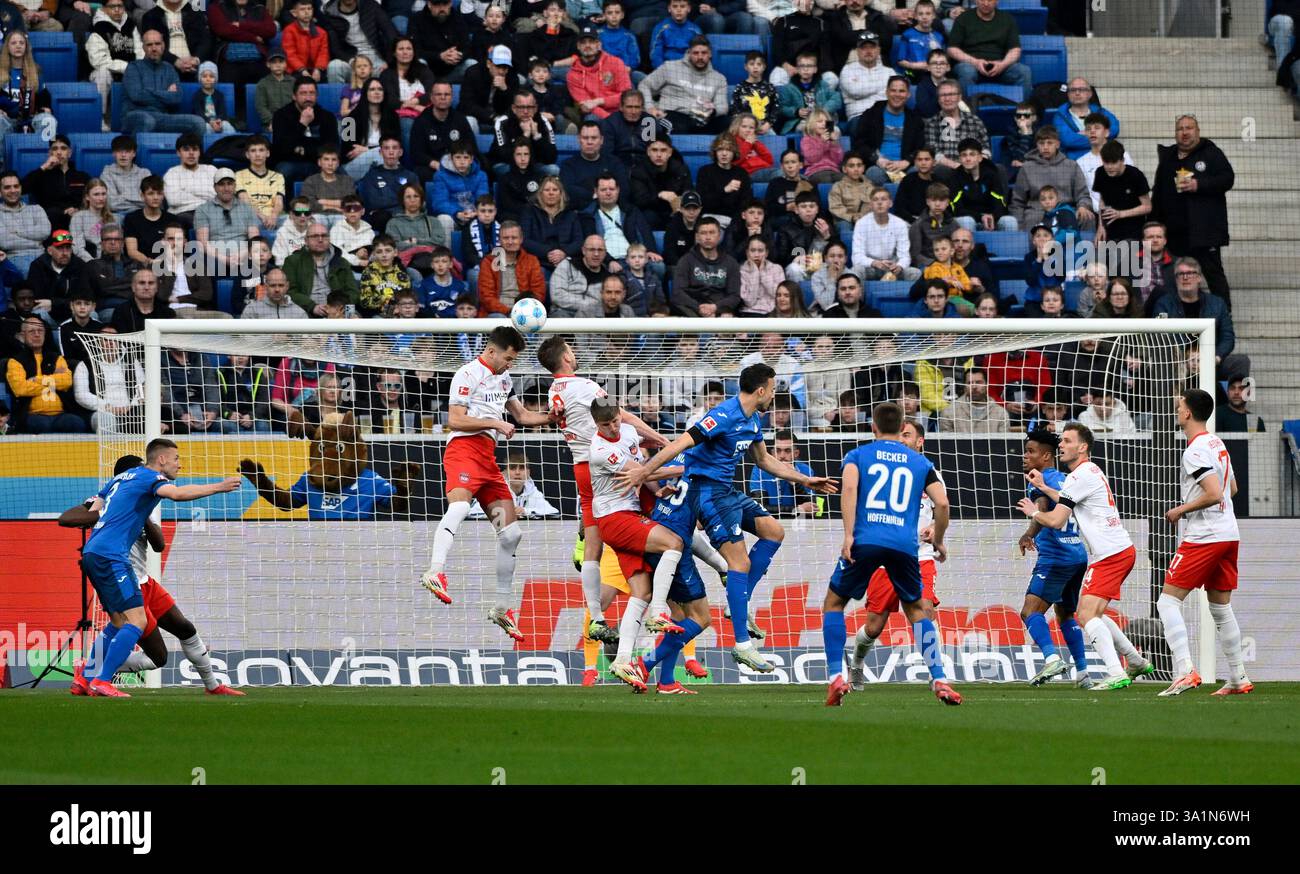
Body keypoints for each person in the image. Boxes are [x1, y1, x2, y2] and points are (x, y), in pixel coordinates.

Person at [619, 363, 838, 673]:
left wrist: (803, 480)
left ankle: (740, 604)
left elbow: (764, 460)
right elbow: (682, 442)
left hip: (727, 491)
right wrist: (644, 471)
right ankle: (742, 644)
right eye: (773, 389)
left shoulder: (753, 421)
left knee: (774, 531)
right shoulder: (722, 415)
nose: (774, 395)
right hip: (708, 495)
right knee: (739, 563)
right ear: (761, 390)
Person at [72, 440, 241, 697]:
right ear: (161, 460)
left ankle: (85, 679)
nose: (179, 464)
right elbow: (178, 494)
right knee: (136, 621)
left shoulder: (119, 481)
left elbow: (96, 510)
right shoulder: (150, 477)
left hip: (94, 552)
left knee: (119, 621)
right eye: (176, 458)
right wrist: (219, 487)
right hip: (112, 556)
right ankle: (102, 680)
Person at [418, 326, 551, 639]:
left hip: (488, 461)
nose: (510, 364)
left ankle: (502, 608)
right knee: (461, 505)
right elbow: (455, 419)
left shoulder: (505, 379)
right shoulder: (467, 373)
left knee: (511, 534)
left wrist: (555, 417)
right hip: (463, 450)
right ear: (492, 351)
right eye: (508, 358)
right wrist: (494, 421)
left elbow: (523, 416)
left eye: (514, 359)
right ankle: (435, 570)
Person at [824, 401, 957, 706]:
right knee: (916, 612)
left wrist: (847, 535)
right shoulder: (920, 463)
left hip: (866, 540)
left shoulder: (857, 455)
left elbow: (849, 491)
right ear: (901, 430)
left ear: (873, 427)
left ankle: (835, 677)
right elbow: (944, 504)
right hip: (903, 545)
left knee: (834, 603)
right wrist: (940, 539)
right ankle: (939, 678)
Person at [538, 335, 663, 645]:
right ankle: (660, 600)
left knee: (594, 545)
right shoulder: (584, 385)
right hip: (604, 466)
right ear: (565, 357)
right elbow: (621, 417)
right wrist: (663, 441)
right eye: (571, 349)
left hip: (581, 467)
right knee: (652, 506)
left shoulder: (555, 389)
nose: (574, 353)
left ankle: (596, 618)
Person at [1015, 423, 1154, 691]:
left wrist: (1033, 512)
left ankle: (1115, 672)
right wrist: (1045, 486)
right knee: (1090, 613)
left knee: (1085, 614)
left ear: (1083, 447)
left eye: (1068, 441)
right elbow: (1067, 501)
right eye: (1062, 441)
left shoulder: (1079, 475)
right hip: (1109, 552)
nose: (1062, 445)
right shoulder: (1081, 475)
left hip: (1109, 554)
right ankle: (1134, 661)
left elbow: (1055, 520)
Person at [1158, 405, 1253, 692]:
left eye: (1178, 407)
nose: (1175, 411)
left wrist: (1181, 510)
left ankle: (1185, 669)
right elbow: (1231, 489)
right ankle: (1238, 678)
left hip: (1205, 535)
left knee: (1167, 601)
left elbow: (1213, 493)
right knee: (1221, 608)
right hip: (1228, 532)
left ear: (1188, 414)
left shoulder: (1195, 450)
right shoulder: (1217, 443)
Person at [1015, 429, 1092, 688]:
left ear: (1046, 456)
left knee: (1029, 611)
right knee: (1065, 614)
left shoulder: (1039, 480)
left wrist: (1030, 529)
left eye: (1031, 451)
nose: (1025, 456)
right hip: (1077, 554)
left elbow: (1043, 509)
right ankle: (1083, 673)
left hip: (1056, 557)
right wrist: (1030, 532)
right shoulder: (1065, 479)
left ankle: (1051, 659)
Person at [1150, 114, 1235, 308]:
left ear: (1197, 131)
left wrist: (1199, 184)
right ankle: (1175, 318)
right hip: (1173, 232)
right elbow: (1158, 192)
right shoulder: (1168, 157)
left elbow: (1228, 178)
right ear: (1175, 133)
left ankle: (1224, 317)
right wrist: (1153, 223)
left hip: (1204, 232)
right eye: (1180, 129)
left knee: (1214, 276)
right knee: (1173, 277)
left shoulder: (1211, 153)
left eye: (1189, 128)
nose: (1184, 132)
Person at [1149, 257, 1237, 373]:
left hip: (1209, 360)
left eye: (1190, 273)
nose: (1185, 277)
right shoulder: (1164, 304)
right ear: (1176, 279)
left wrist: (1215, 357)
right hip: (1175, 362)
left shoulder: (1217, 303)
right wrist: (1181, 359)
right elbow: (1159, 337)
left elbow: (1227, 337)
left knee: (1240, 362)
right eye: (1181, 274)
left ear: (1199, 277)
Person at [5, 315, 85, 433]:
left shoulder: (57, 358)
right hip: (33, 415)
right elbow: (20, 389)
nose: (37, 334)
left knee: (76, 423)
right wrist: (54, 380)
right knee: (41, 425)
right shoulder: (15, 362)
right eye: (32, 331)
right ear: (22, 336)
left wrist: (36, 380)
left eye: (40, 331)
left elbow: (66, 381)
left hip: (61, 415)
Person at [121, 29, 207, 136]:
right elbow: (137, 96)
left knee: (198, 123)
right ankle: (138, 152)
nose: (154, 48)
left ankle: (188, 152)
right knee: (147, 121)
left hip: (163, 117)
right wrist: (165, 94)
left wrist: (150, 93)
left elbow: (176, 98)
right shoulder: (133, 67)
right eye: (149, 45)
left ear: (163, 45)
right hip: (136, 115)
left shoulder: (169, 68)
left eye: (157, 44)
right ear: (143, 47)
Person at [639, 35, 729, 135]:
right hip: (674, 113)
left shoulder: (719, 78)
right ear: (689, 53)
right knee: (677, 126)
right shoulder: (670, 67)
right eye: (696, 53)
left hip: (703, 118)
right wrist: (650, 107)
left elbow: (722, 106)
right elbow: (644, 85)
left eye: (704, 53)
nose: (700, 57)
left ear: (710, 54)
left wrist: (713, 111)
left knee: (727, 123)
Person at [945, 0, 1030, 92]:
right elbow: (952, 49)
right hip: (971, 65)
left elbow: (1015, 50)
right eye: (982, 0)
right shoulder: (963, 18)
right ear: (976, 1)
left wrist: (1003, 64)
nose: (986, 3)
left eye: (990, 0)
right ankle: (966, 106)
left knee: (1024, 72)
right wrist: (975, 62)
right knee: (966, 71)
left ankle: (1023, 106)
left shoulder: (1007, 19)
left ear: (997, 1)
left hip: (1000, 67)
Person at [271, 76, 341, 186]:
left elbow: (332, 147)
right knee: (283, 172)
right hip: (290, 163)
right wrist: (302, 124)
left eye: (312, 93)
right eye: (303, 93)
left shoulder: (327, 116)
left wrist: (303, 150)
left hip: (319, 163)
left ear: (317, 96)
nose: (308, 98)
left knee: (341, 172)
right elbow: (280, 149)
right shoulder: (281, 115)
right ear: (294, 96)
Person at [0, 30, 57, 160]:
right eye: (13, 43)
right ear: (7, 48)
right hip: (7, 119)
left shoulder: (35, 71)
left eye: (21, 43)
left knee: (49, 120)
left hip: (31, 118)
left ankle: (48, 162)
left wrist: (45, 108)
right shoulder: (0, 72)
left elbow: (43, 97)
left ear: (26, 47)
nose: (18, 46)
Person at [408, 81, 479, 185]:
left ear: (451, 97)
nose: (443, 97)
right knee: (420, 173)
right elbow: (416, 153)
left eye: (447, 94)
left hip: (458, 164)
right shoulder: (421, 121)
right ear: (431, 97)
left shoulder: (460, 119)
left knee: (480, 170)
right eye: (439, 94)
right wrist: (435, 164)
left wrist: (459, 163)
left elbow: (471, 147)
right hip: (433, 167)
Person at [87, 0, 143, 130]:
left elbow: (140, 50)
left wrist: (137, 66)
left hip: (131, 69)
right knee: (102, 73)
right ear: (105, 8)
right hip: (106, 70)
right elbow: (99, 60)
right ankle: (100, 117)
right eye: (113, 7)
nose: (117, 9)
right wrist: (125, 67)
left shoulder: (131, 25)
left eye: (120, 6)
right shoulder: (98, 28)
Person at [284, 222, 360, 316]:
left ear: (329, 239)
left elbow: (353, 292)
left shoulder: (342, 262)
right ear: (306, 240)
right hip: (305, 311)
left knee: (358, 323)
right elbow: (289, 292)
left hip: (339, 311)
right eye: (315, 236)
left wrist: (338, 307)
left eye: (324, 236)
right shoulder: (292, 261)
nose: (320, 239)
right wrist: (312, 307)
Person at [671, 216, 741, 317]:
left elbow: (735, 296)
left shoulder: (731, 263)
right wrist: (699, 308)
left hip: (720, 308)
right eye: (703, 233)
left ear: (719, 235)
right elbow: (677, 293)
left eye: (712, 232)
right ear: (697, 237)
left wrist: (715, 308)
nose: (708, 237)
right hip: (693, 309)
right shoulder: (686, 261)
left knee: (728, 318)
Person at [923, 79, 991, 180]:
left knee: (998, 169)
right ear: (938, 99)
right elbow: (935, 154)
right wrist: (959, 167)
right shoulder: (932, 124)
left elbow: (985, 149)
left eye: (951, 94)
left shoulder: (974, 120)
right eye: (943, 95)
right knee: (940, 170)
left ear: (959, 97)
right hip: (948, 170)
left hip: (974, 168)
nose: (947, 98)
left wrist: (974, 164)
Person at [478, 220, 546, 316]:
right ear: (499, 240)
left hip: (525, 312)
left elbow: (538, 293)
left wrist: (521, 311)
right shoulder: (489, 262)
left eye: (514, 238)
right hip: (498, 312)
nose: (510, 242)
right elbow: (486, 297)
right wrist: (508, 311)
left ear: (521, 239)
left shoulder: (532, 261)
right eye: (506, 238)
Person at [491, 87, 561, 178]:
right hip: (508, 165)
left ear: (535, 108)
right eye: (521, 107)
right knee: (507, 170)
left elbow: (551, 157)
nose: (525, 111)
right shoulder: (502, 122)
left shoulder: (543, 122)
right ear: (514, 108)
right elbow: (503, 155)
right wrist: (525, 136)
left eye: (530, 107)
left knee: (553, 170)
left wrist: (537, 136)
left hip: (534, 166)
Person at [852, 187, 919, 280]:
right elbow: (857, 257)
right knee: (856, 271)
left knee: (915, 273)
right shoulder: (861, 224)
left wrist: (899, 266)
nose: (879, 203)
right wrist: (875, 263)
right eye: (875, 200)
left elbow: (905, 256)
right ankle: (859, 294)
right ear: (871, 205)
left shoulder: (900, 224)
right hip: (871, 267)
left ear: (890, 203)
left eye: (883, 199)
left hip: (892, 267)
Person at [567, 23, 630, 121]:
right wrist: (611, 120)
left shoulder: (615, 62)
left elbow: (626, 95)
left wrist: (599, 101)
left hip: (620, 111)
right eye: (583, 42)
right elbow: (587, 106)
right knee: (591, 119)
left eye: (591, 42)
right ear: (578, 46)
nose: (587, 45)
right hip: (597, 114)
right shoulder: (573, 75)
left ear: (598, 44)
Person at [559, 121, 630, 209]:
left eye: (594, 138)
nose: (589, 142)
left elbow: (624, 188)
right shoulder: (568, 165)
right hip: (580, 214)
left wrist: (589, 194)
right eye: (585, 138)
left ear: (601, 140)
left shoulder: (614, 162)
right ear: (578, 139)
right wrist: (596, 195)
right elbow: (567, 190)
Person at [950, 136, 1015, 232]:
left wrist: (992, 216)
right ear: (960, 159)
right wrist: (981, 217)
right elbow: (957, 208)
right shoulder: (954, 177)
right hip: (967, 218)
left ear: (980, 158)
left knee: (1010, 221)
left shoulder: (992, 174)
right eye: (964, 155)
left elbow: (1000, 203)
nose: (968, 159)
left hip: (991, 218)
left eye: (972, 154)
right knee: (968, 222)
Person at [749, 429, 817, 517]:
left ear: (796, 453)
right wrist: (796, 509)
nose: (782, 456)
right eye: (778, 451)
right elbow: (759, 508)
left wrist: (794, 481)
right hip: (771, 523)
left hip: (799, 524)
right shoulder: (759, 469)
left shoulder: (805, 470)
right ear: (772, 453)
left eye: (787, 451)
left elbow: (811, 509)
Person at [1051, 77, 1119, 161]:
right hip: (1075, 163)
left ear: (1090, 93)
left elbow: (1114, 129)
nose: (1077, 93)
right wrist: (1098, 137)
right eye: (1073, 90)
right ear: (1068, 94)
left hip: (1103, 161)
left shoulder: (1101, 112)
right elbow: (1068, 141)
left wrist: (1085, 134)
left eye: (1082, 89)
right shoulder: (1060, 116)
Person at [776, 50, 842, 135]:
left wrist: (823, 111)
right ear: (797, 69)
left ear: (815, 69)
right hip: (802, 121)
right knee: (808, 128)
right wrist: (796, 111)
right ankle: (812, 148)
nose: (805, 69)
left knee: (835, 131)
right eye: (802, 66)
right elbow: (782, 108)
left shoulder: (823, 85)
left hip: (823, 120)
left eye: (809, 66)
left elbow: (836, 99)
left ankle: (829, 148)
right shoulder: (788, 88)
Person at [0, 171, 51, 277]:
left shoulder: (36, 209)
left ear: (21, 188)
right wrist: (36, 242)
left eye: (16, 186)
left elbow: (45, 232)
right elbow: (5, 242)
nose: (13, 190)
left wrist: (17, 232)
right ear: (0, 192)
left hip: (41, 257)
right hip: (12, 259)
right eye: (7, 187)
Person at [284, 0, 347, 83]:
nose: (306, 12)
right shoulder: (289, 31)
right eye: (302, 9)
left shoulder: (322, 32)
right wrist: (302, 70)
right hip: (295, 71)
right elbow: (290, 54)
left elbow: (323, 54)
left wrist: (318, 69)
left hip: (316, 70)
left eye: (309, 9)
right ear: (294, 13)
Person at [549, 234, 611, 317]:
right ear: (583, 251)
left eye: (600, 250)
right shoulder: (566, 265)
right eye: (592, 249)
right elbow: (557, 296)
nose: (596, 254)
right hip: (563, 312)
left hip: (591, 317)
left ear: (605, 253)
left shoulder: (608, 278)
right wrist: (588, 303)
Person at [409, 0, 471, 80]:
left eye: (445, 3)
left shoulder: (458, 18)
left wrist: (458, 55)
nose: (441, 8)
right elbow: (414, 50)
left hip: (453, 70)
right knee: (420, 63)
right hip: (428, 71)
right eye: (436, 4)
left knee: (471, 64)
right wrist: (439, 56)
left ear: (450, 4)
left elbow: (467, 47)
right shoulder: (417, 19)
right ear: (429, 4)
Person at [840, 30, 889, 126]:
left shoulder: (889, 72)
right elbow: (855, 91)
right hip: (858, 117)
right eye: (864, 48)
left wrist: (865, 88)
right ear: (857, 51)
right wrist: (883, 87)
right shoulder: (848, 69)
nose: (868, 51)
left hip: (884, 116)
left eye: (872, 47)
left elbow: (892, 95)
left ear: (879, 50)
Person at [938, 367, 1009, 433]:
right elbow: (947, 444)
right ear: (964, 387)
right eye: (969, 383)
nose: (974, 387)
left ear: (986, 385)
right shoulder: (949, 412)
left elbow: (1003, 444)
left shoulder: (1001, 413)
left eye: (978, 382)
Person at [109, 269, 175, 333]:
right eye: (142, 283)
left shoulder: (167, 313)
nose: (146, 287)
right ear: (133, 287)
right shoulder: (121, 312)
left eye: (151, 283)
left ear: (157, 288)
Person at [650, 0, 701, 69]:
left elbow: (699, 54)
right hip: (666, 69)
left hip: (689, 69)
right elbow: (656, 55)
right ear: (669, 9)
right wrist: (663, 71)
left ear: (689, 9)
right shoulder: (661, 28)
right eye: (675, 6)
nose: (678, 10)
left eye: (682, 6)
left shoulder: (695, 30)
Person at [241, 267, 308, 319]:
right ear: (266, 286)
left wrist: (289, 337)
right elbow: (243, 336)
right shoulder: (252, 309)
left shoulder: (299, 312)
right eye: (272, 285)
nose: (277, 289)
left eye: (281, 285)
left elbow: (306, 336)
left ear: (287, 286)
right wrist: (269, 337)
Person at [254, 49, 294, 129]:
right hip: (271, 123)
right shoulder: (263, 83)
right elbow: (261, 106)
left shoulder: (293, 82)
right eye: (274, 62)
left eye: (281, 62)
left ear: (286, 64)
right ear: (268, 64)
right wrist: (273, 120)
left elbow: (298, 103)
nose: (278, 65)